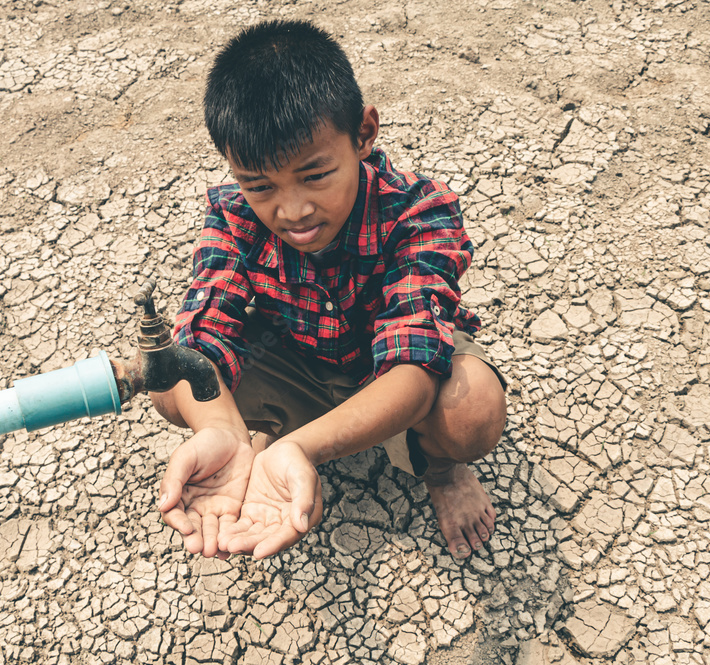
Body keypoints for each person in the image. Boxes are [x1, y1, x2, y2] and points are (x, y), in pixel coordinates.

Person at [151, 19, 507, 561]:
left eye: (315, 175)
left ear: (364, 134)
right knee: (172, 379)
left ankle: (441, 471)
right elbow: (203, 335)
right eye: (260, 185)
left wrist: (301, 448)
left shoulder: (417, 210)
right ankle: (251, 444)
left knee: (472, 409)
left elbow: (413, 369)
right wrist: (220, 431)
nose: (292, 210)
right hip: (296, 358)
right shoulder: (232, 215)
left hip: (388, 375)